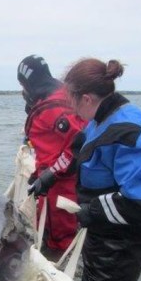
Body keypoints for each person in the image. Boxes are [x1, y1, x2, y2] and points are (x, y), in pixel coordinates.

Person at [62, 58, 141, 281]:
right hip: (104, 232)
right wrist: (50, 177)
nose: (70, 108)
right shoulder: (98, 119)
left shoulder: (129, 128)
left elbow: (137, 202)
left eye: (70, 100)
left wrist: (91, 211)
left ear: (85, 98)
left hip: (122, 240)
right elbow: (80, 154)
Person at [17, 55, 86, 257]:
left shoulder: (56, 106)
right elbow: (52, 145)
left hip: (63, 186)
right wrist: (39, 174)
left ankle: (61, 273)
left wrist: (51, 174)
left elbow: (78, 145)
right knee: (46, 229)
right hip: (51, 182)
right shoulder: (56, 98)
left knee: (62, 239)